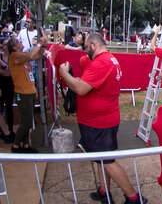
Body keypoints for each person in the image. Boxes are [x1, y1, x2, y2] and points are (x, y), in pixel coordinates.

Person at [59, 33, 146, 204]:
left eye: (85, 47)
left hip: (98, 122)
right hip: (104, 118)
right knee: (103, 158)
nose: (84, 51)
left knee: (107, 161)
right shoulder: (109, 59)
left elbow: (80, 88)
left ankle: (133, 197)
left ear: (93, 45)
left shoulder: (101, 63)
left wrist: (64, 74)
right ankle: (104, 191)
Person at [6, 31, 48, 152]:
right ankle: (15, 145)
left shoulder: (22, 55)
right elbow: (31, 55)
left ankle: (25, 145)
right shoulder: (15, 56)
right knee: (27, 122)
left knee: (28, 121)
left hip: (29, 92)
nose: (20, 42)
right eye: (18, 42)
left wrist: (43, 45)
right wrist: (39, 44)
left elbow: (36, 55)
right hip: (22, 92)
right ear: (14, 47)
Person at [0, 41, 15, 137]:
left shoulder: (14, 56)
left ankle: (11, 129)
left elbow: (12, 72)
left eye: (8, 45)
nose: (6, 47)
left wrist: (5, 70)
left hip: (10, 83)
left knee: (9, 107)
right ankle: (1, 130)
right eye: (4, 45)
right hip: (1, 83)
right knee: (0, 107)